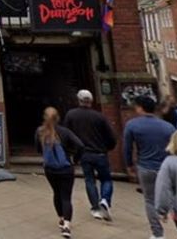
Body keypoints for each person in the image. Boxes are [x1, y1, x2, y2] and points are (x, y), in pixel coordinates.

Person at [124, 95, 176, 239]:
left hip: (145, 167)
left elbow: (127, 148)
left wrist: (129, 166)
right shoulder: (168, 127)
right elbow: (174, 148)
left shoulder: (132, 125)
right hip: (166, 167)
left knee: (150, 200)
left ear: (140, 108)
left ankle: (157, 234)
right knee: (173, 199)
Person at [63, 89, 117, 221]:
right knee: (106, 179)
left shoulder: (71, 115)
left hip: (84, 154)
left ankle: (95, 208)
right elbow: (111, 137)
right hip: (100, 153)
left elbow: (66, 135)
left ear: (79, 100)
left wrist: (70, 152)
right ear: (91, 101)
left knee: (90, 180)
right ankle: (105, 199)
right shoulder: (100, 116)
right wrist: (108, 147)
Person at [36, 107, 84, 239]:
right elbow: (80, 145)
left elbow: (38, 149)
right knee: (66, 197)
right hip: (66, 168)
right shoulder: (65, 132)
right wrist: (75, 158)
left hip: (50, 169)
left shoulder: (40, 132)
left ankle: (61, 218)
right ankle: (67, 226)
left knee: (56, 193)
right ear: (58, 118)